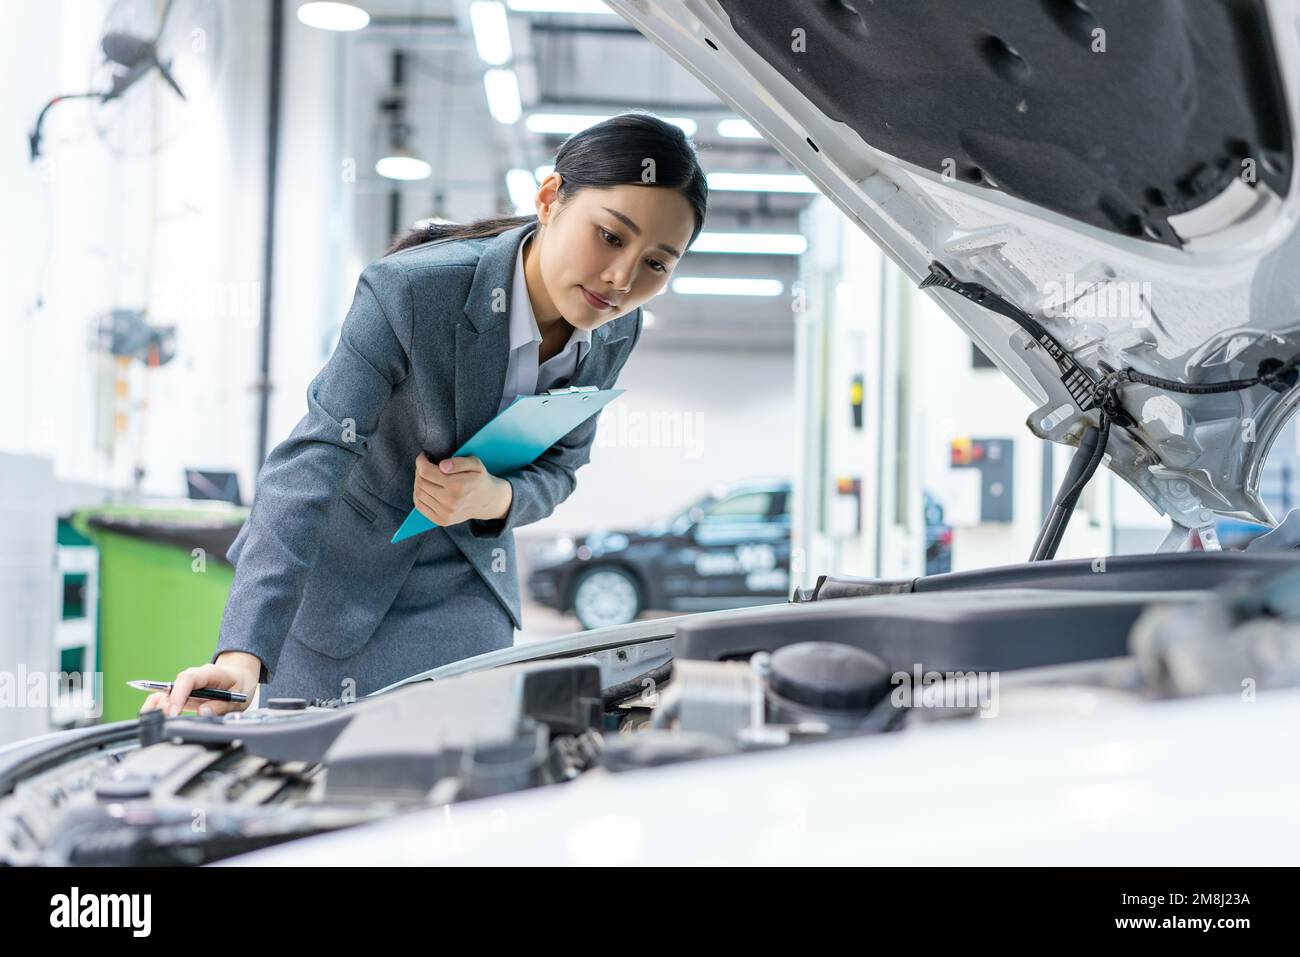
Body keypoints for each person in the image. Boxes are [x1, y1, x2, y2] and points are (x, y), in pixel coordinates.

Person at [140, 112, 708, 717]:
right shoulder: (410, 292)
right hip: (341, 585)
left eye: (656, 264)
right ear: (550, 199)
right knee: (321, 780)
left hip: (466, 588)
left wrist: (496, 499)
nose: (621, 279)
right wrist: (240, 655)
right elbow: (314, 457)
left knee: (464, 778)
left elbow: (562, 468)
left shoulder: (618, 331)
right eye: (611, 237)